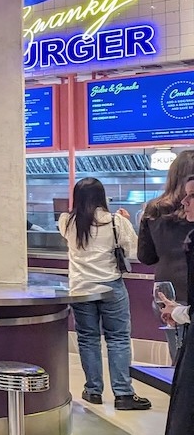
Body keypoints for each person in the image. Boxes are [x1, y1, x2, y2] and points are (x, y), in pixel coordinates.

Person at [58, 177, 150, 410]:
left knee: (88, 339)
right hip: (111, 287)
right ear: (102, 197)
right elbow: (133, 250)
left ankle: (93, 391)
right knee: (117, 339)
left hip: (81, 289)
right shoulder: (116, 222)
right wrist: (128, 222)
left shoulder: (67, 221)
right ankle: (123, 394)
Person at [139, 152, 194, 360]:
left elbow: (146, 256)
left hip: (166, 293)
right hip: (189, 291)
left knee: (179, 358)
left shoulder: (153, 209)